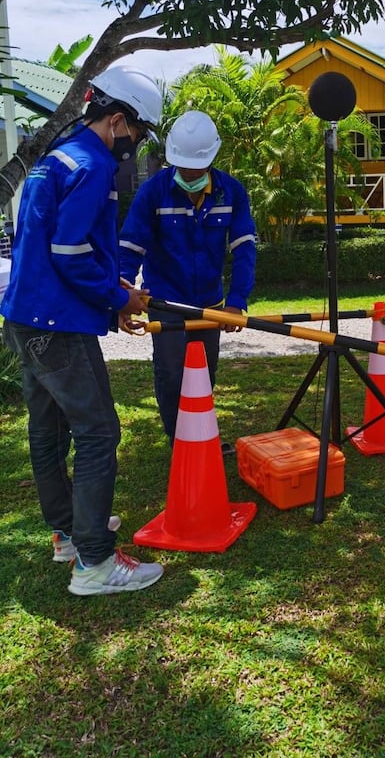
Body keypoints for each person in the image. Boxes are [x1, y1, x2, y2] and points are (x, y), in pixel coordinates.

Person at [1, 65, 165, 596]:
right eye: (138, 135)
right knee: (99, 434)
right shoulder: (94, 165)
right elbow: (69, 253)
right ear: (118, 121)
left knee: (47, 432)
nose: (135, 145)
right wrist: (120, 296)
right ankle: (94, 563)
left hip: (26, 320)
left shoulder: (56, 158)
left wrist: (113, 289)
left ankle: (69, 536)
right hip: (59, 326)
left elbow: (65, 246)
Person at [119, 110, 256, 452]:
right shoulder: (153, 193)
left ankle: (202, 434)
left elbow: (244, 250)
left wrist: (238, 300)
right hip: (165, 304)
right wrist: (123, 293)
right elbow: (130, 249)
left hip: (210, 304)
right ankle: (179, 439)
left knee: (204, 375)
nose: (191, 173)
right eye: (184, 167)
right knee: (171, 375)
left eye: (197, 167)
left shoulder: (232, 193)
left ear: (211, 158)